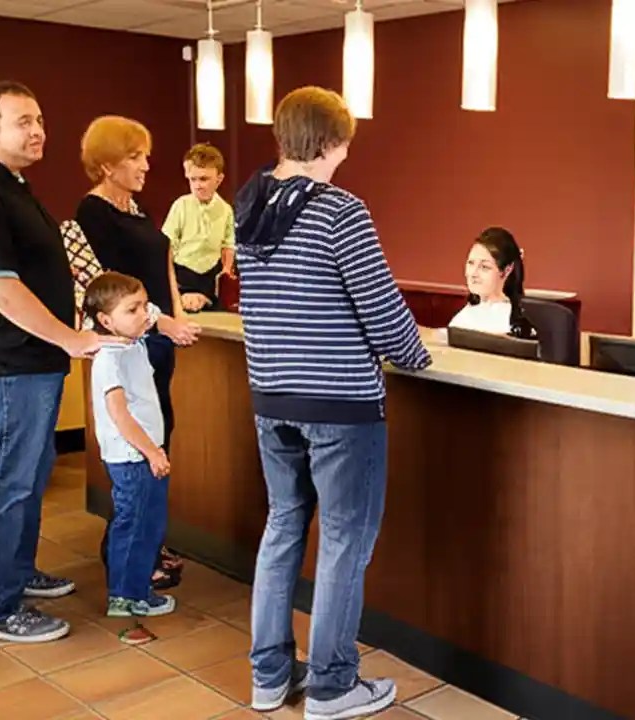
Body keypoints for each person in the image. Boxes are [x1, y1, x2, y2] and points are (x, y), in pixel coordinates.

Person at [235, 86, 431, 718]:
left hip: (272, 396)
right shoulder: (339, 210)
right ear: (329, 141)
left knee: (283, 527)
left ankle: (269, 678)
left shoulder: (249, 208)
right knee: (345, 541)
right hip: (339, 403)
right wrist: (418, 357)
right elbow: (382, 311)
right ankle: (332, 686)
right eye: (346, 139)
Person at [0, 80, 116, 643]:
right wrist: (68, 337)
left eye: (39, 118)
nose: (37, 130)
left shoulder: (15, 186)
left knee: (28, 477)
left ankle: (15, 573)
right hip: (3, 363)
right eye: (22, 121)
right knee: (4, 485)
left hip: (30, 363)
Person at [73, 115, 200, 590]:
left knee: (159, 439)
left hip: (157, 347)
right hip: (128, 348)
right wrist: (159, 321)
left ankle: (148, 539)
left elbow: (162, 262)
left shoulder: (137, 209)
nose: (146, 165)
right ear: (106, 164)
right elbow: (108, 292)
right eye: (134, 157)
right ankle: (124, 555)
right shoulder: (94, 212)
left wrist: (174, 316)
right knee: (136, 451)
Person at [83, 272, 176, 635]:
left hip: (146, 454)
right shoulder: (108, 358)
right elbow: (119, 414)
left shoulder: (132, 345)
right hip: (132, 456)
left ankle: (139, 590)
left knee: (149, 524)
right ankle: (123, 596)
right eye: (133, 309)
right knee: (132, 524)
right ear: (106, 321)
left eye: (144, 305)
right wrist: (152, 451)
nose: (144, 314)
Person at [162, 143, 235, 313]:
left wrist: (226, 271)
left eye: (204, 179)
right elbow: (167, 244)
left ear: (219, 179)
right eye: (192, 179)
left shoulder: (226, 210)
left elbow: (228, 244)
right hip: (183, 274)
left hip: (211, 277)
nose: (197, 185)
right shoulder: (181, 205)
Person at [446, 227, 536, 338]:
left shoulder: (513, 321)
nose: (473, 273)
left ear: (507, 270)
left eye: (484, 267)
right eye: (471, 263)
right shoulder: (466, 314)